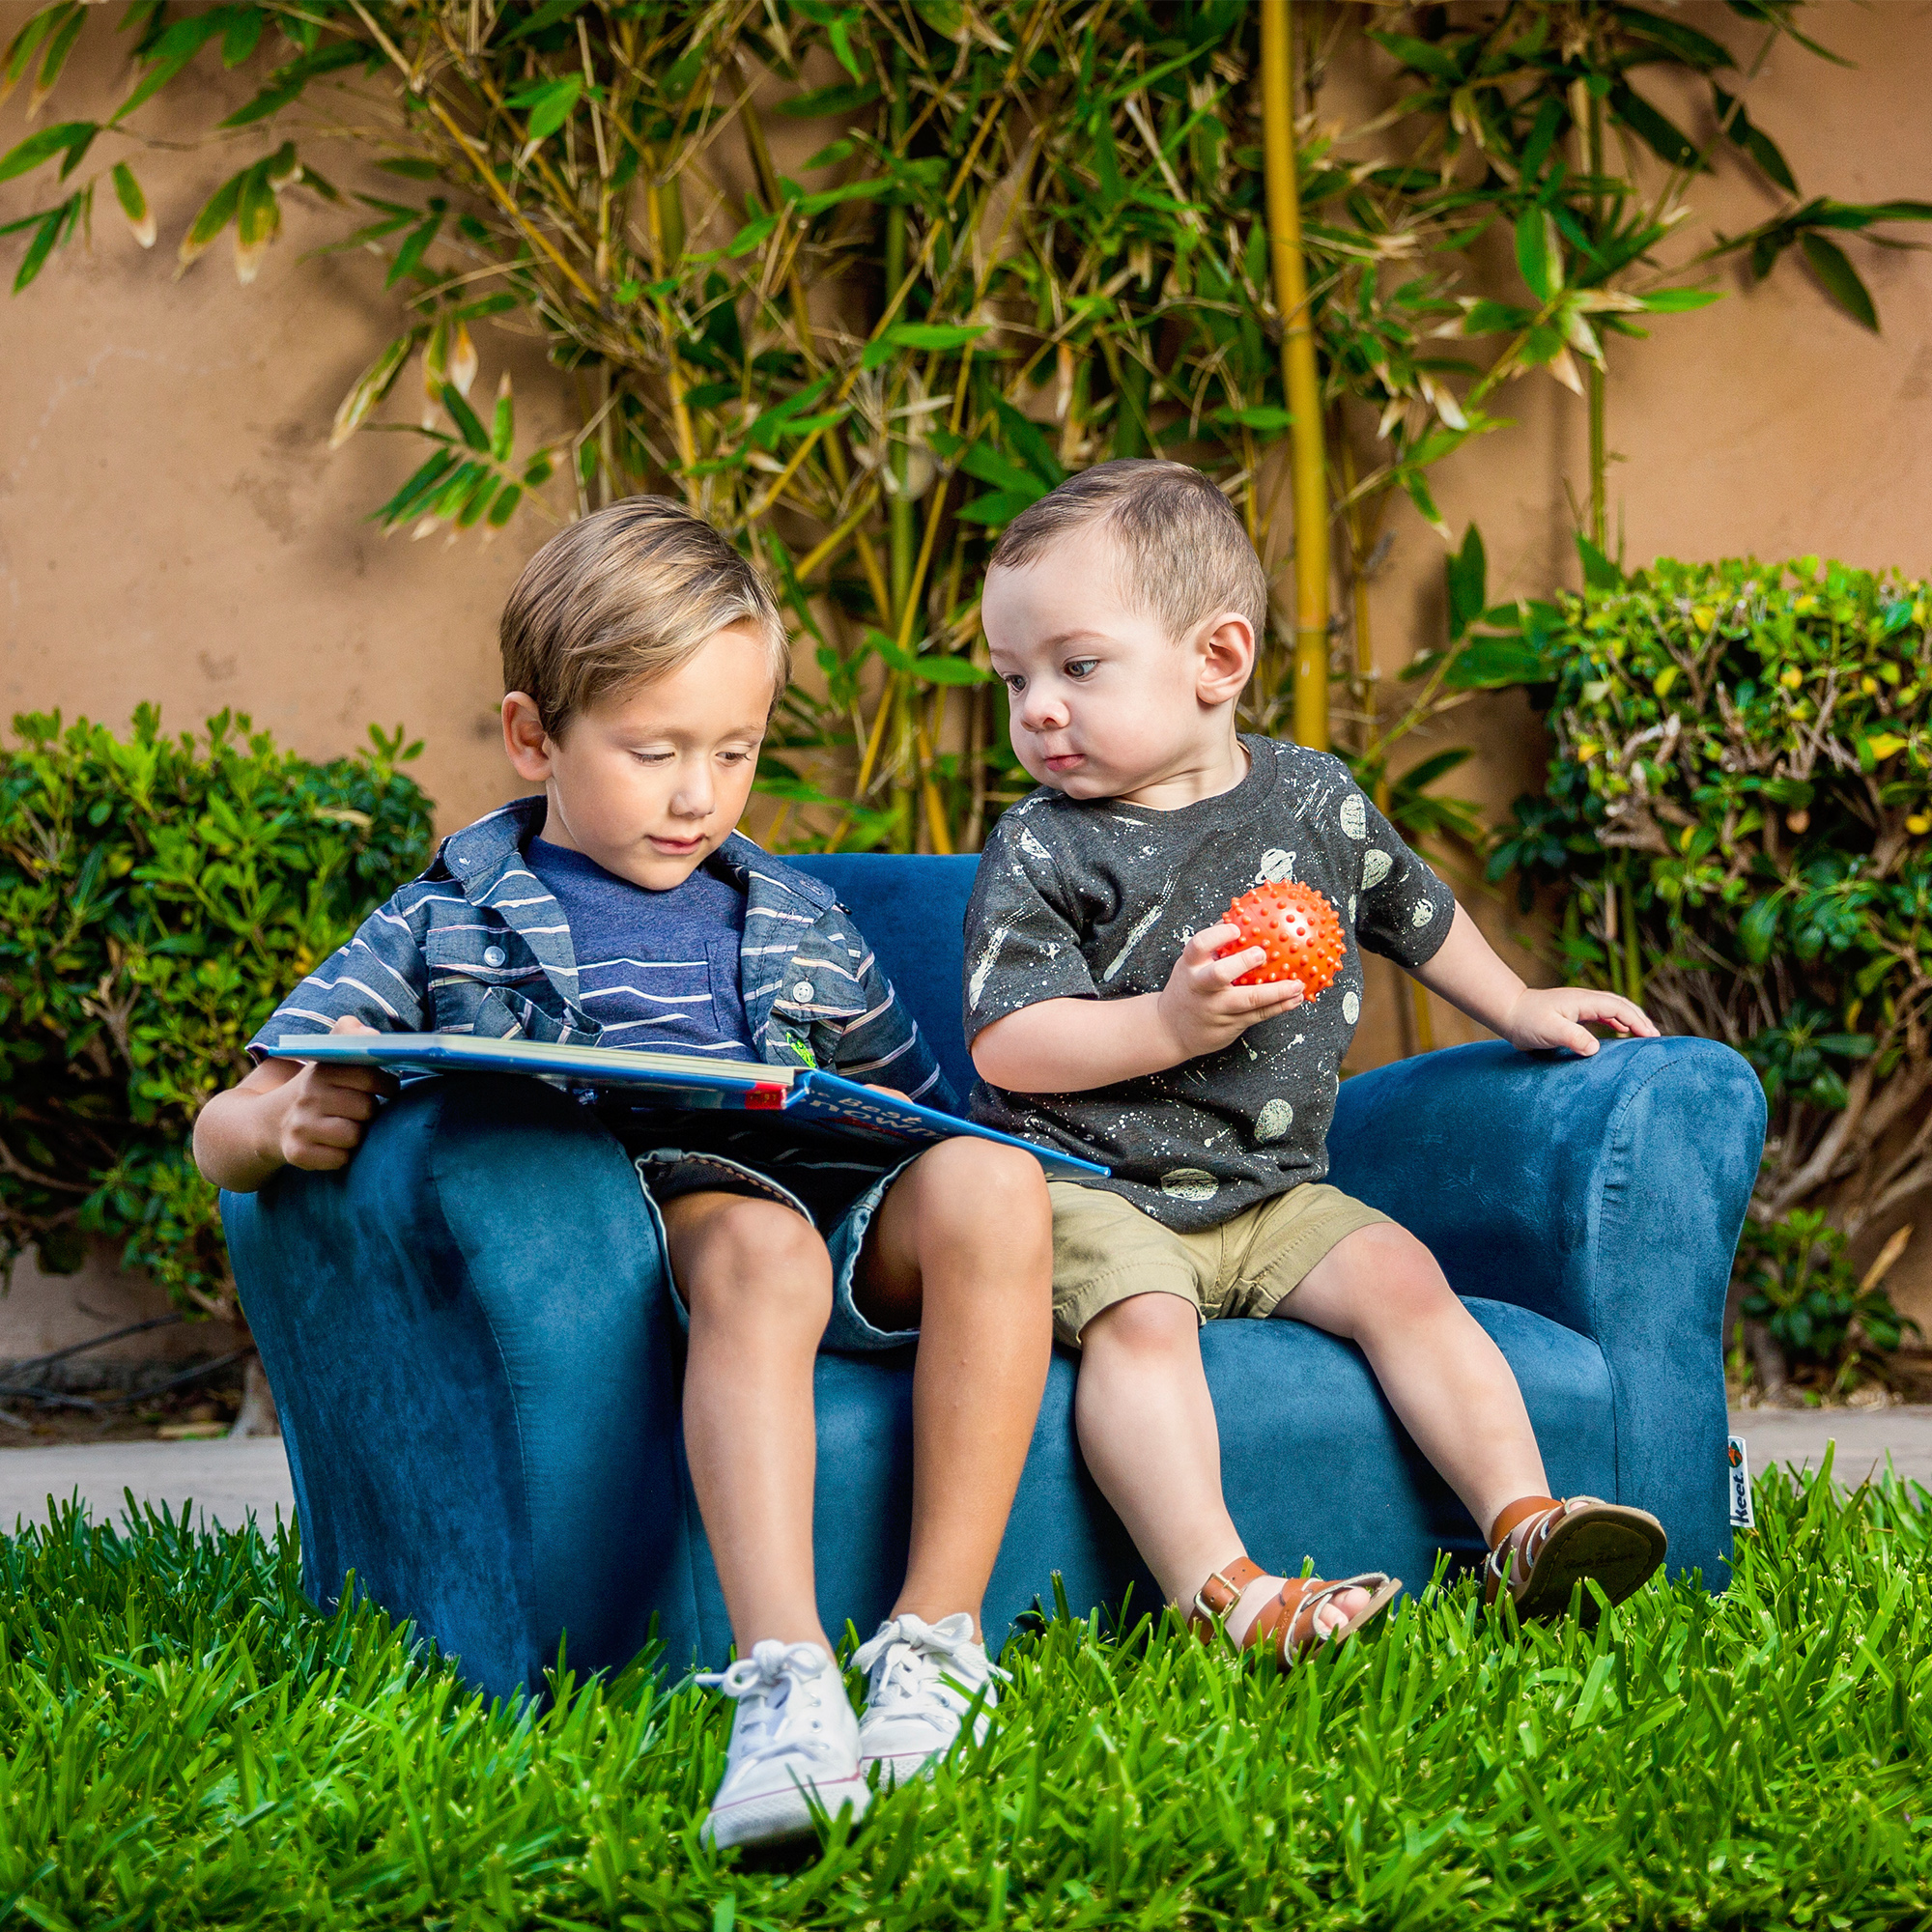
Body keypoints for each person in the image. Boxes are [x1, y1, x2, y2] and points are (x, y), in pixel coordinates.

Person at [195, 497, 1054, 1848]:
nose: (698, 795)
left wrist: (924, 1138)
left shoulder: (798, 920)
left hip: (841, 1214)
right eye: (652, 751)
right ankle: (787, 1685)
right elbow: (236, 1113)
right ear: (534, 735)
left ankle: (930, 1651)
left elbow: (913, 1109)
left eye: (736, 750)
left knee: (996, 1186)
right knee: (758, 1247)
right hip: (665, 1223)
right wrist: (274, 1128)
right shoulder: (453, 914)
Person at [962, 458, 1667, 1666]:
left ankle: (1522, 1522)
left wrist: (1514, 1001)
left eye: (1074, 667)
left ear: (1216, 660)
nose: (1035, 707)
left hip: (1270, 1184)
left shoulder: (1314, 801)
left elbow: (1414, 909)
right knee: (1140, 1320)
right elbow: (1007, 1042)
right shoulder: (1040, 843)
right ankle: (1224, 1588)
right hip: (1084, 1181)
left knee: (1400, 1275)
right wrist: (1165, 1026)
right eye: (1013, 677)